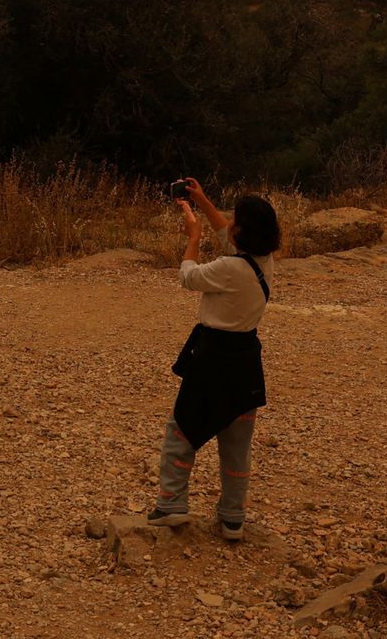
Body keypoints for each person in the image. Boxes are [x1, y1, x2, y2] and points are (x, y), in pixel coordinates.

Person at [148, 178, 281, 541]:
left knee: (183, 429)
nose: (230, 225)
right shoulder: (263, 262)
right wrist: (202, 201)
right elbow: (227, 235)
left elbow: (188, 277)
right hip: (245, 361)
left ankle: (171, 504)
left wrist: (192, 236)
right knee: (237, 445)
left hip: (211, 360)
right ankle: (233, 518)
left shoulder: (228, 268)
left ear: (243, 232)